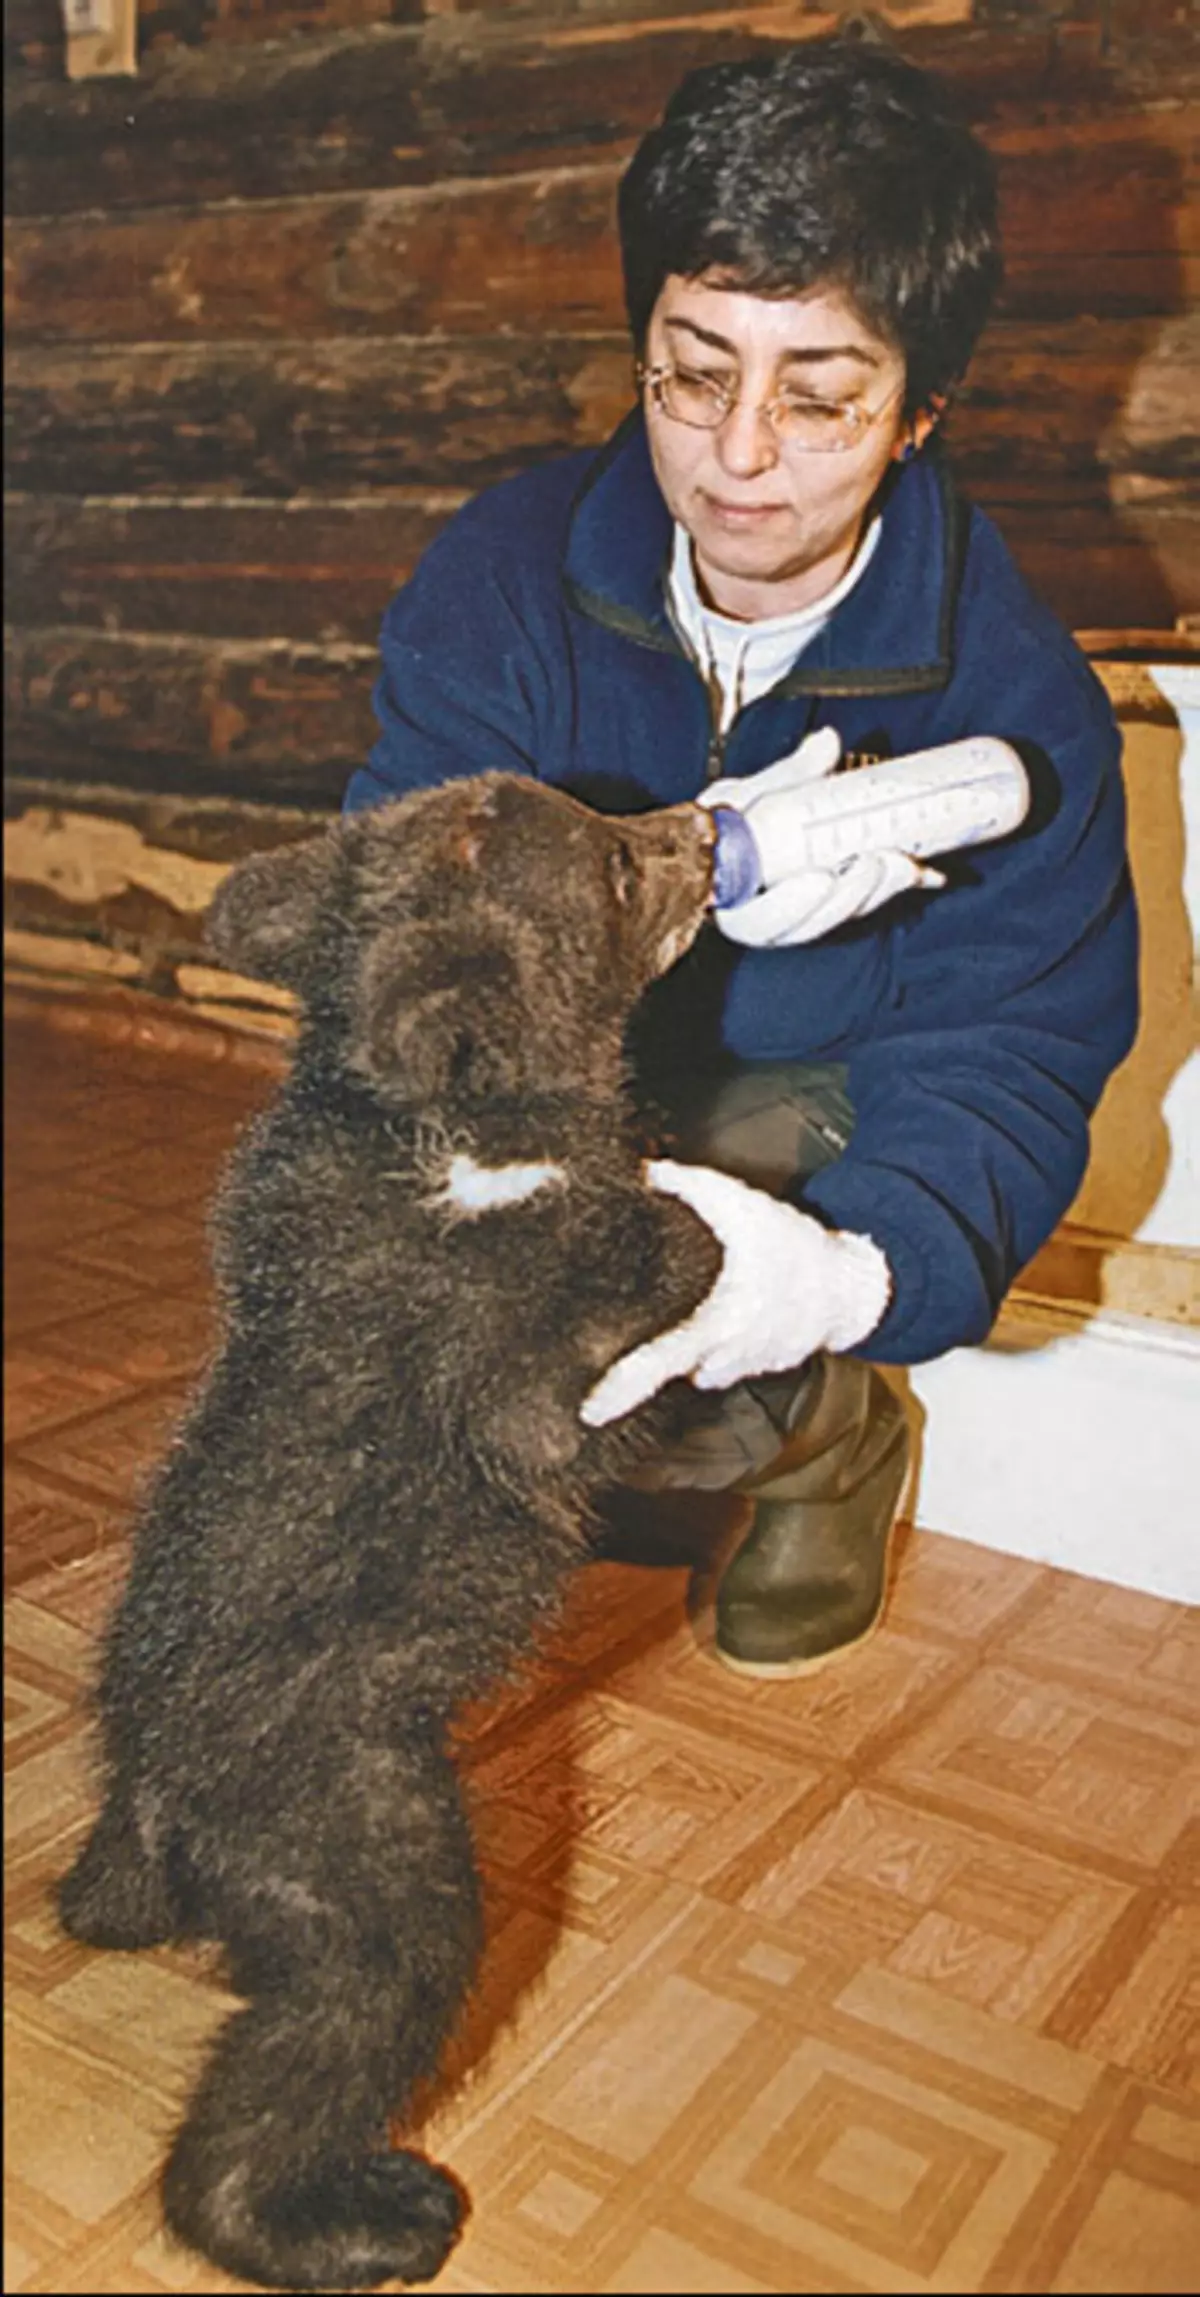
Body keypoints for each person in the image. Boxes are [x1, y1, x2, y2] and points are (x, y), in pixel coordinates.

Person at [344, 36, 1138, 1678]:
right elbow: (394, 922)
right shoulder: (502, 575)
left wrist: (846, 1282)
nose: (740, 458)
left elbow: (1009, 1051)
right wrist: (685, 866)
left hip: (807, 1105)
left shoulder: (1019, 698)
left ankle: (827, 1436)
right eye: (692, 374)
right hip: (565, 1078)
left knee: (672, 1347)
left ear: (918, 412)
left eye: (822, 397)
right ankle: (637, 1416)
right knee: (412, 1284)